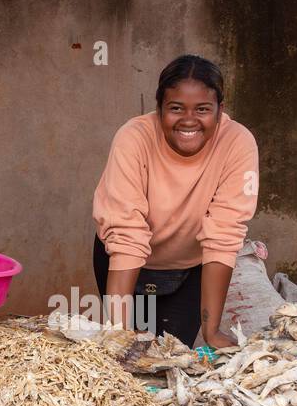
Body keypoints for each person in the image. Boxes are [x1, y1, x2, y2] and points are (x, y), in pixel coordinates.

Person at [91, 54, 259, 349]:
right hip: (125, 260)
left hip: (190, 268)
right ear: (159, 109)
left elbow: (224, 235)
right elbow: (126, 235)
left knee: (168, 356)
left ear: (220, 110)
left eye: (203, 109)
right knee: (127, 353)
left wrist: (212, 331)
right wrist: (117, 333)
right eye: (176, 108)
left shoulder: (237, 143)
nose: (189, 120)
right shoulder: (133, 139)